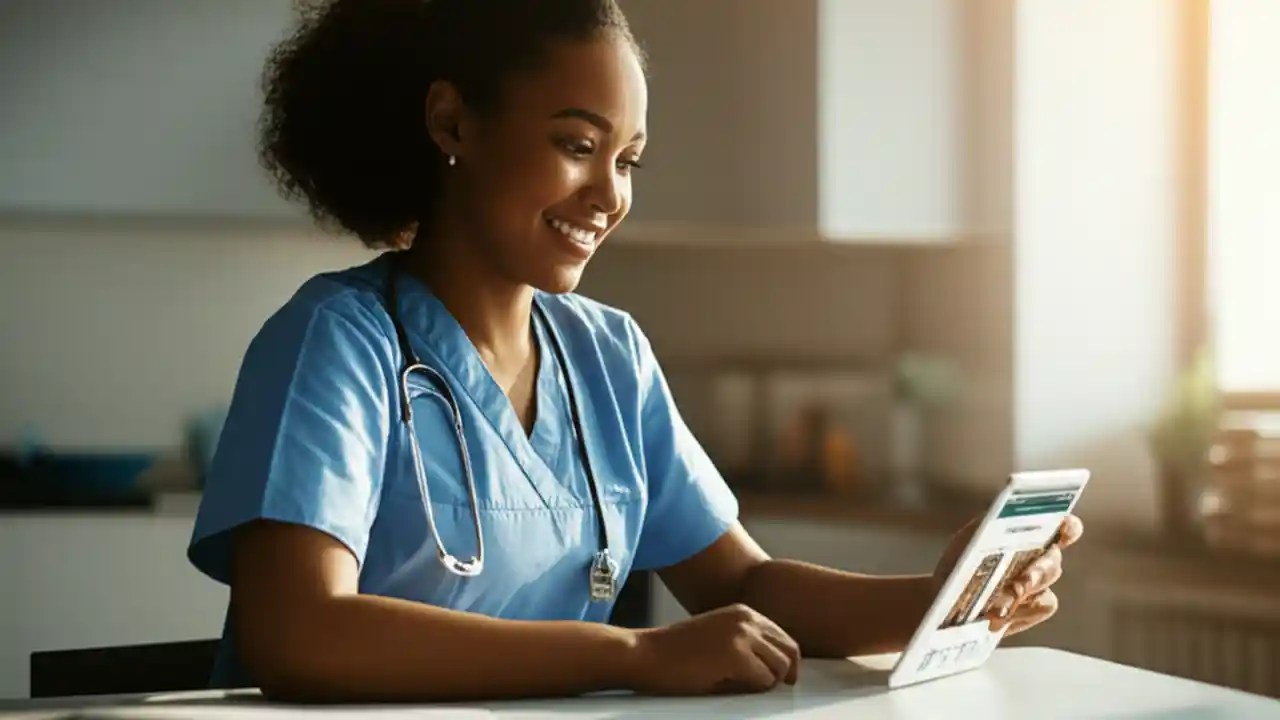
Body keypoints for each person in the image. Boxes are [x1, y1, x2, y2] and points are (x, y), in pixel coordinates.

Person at [187, 0, 1084, 703]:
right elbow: (297, 633)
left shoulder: (607, 356)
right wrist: (633, 654)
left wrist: (946, 600)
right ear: (453, 124)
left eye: (629, 161)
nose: (609, 195)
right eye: (578, 145)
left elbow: (744, 583)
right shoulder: (337, 342)